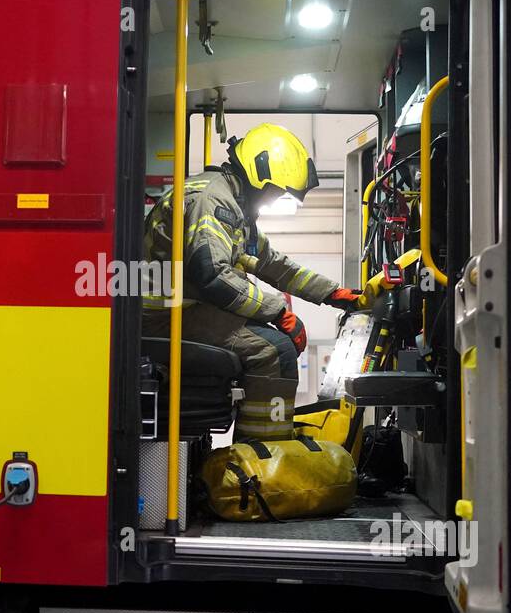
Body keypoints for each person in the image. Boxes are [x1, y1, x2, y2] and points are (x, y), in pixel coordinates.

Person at [143, 123, 358, 441]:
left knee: (275, 343)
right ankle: (262, 453)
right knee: (273, 350)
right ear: (259, 175)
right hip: (163, 316)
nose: (275, 198)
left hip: (186, 308)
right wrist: (278, 312)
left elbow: (273, 264)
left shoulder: (234, 205)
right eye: (277, 190)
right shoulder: (214, 201)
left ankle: (262, 447)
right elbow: (213, 275)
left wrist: (333, 293)